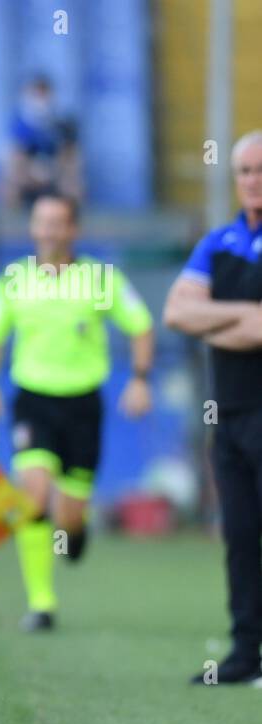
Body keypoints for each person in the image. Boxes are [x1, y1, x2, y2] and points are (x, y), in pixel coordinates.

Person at [0, 193, 153, 632]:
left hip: (82, 406)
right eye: (42, 221)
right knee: (34, 496)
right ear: (33, 227)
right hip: (33, 402)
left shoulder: (100, 279)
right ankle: (41, 602)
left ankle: (75, 530)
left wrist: (139, 378)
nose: (49, 230)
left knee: (69, 516)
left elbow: (141, 324)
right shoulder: (14, 279)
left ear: (73, 229)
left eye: (58, 222)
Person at [164, 129, 262, 685]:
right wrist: (245, 315)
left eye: (261, 170)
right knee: (240, 535)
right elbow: (178, 313)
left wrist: (214, 318)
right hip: (229, 414)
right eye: (245, 171)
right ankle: (246, 651)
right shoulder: (220, 241)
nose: (253, 180)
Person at [0, 75, 82, 210]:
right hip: (28, 176)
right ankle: (11, 220)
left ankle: (71, 219)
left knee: (73, 184)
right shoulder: (19, 123)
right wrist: (33, 173)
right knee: (8, 184)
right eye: (36, 95)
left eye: (44, 95)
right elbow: (15, 157)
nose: (40, 100)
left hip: (55, 175)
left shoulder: (64, 123)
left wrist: (53, 171)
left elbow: (71, 156)